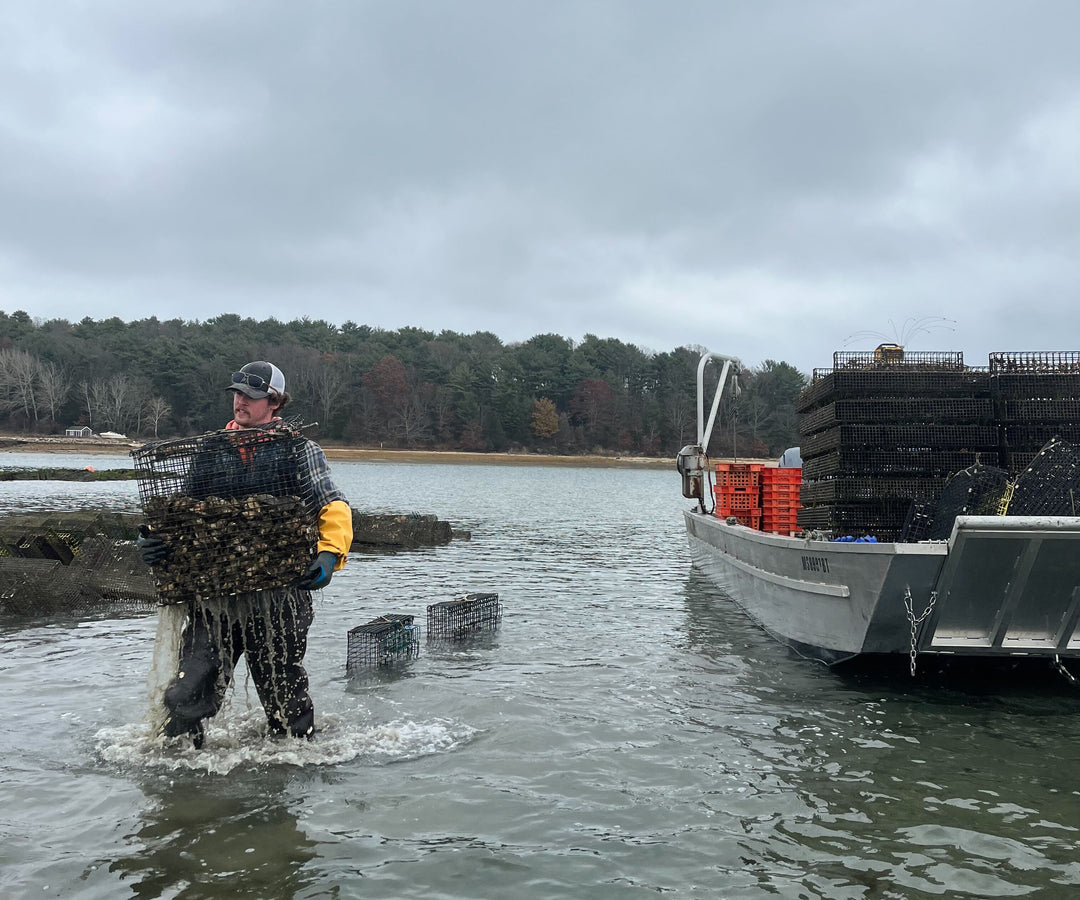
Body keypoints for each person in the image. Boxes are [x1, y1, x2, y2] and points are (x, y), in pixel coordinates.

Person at [137, 361, 353, 746]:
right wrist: (152, 539)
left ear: (274, 402)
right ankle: (178, 763)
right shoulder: (212, 449)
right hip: (216, 596)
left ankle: (297, 755)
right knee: (187, 691)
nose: (240, 402)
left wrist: (329, 553)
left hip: (280, 595)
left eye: (250, 396)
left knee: (284, 696)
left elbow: (332, 504)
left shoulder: (299, 449)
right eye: (237, 394)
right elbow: (181, 513)